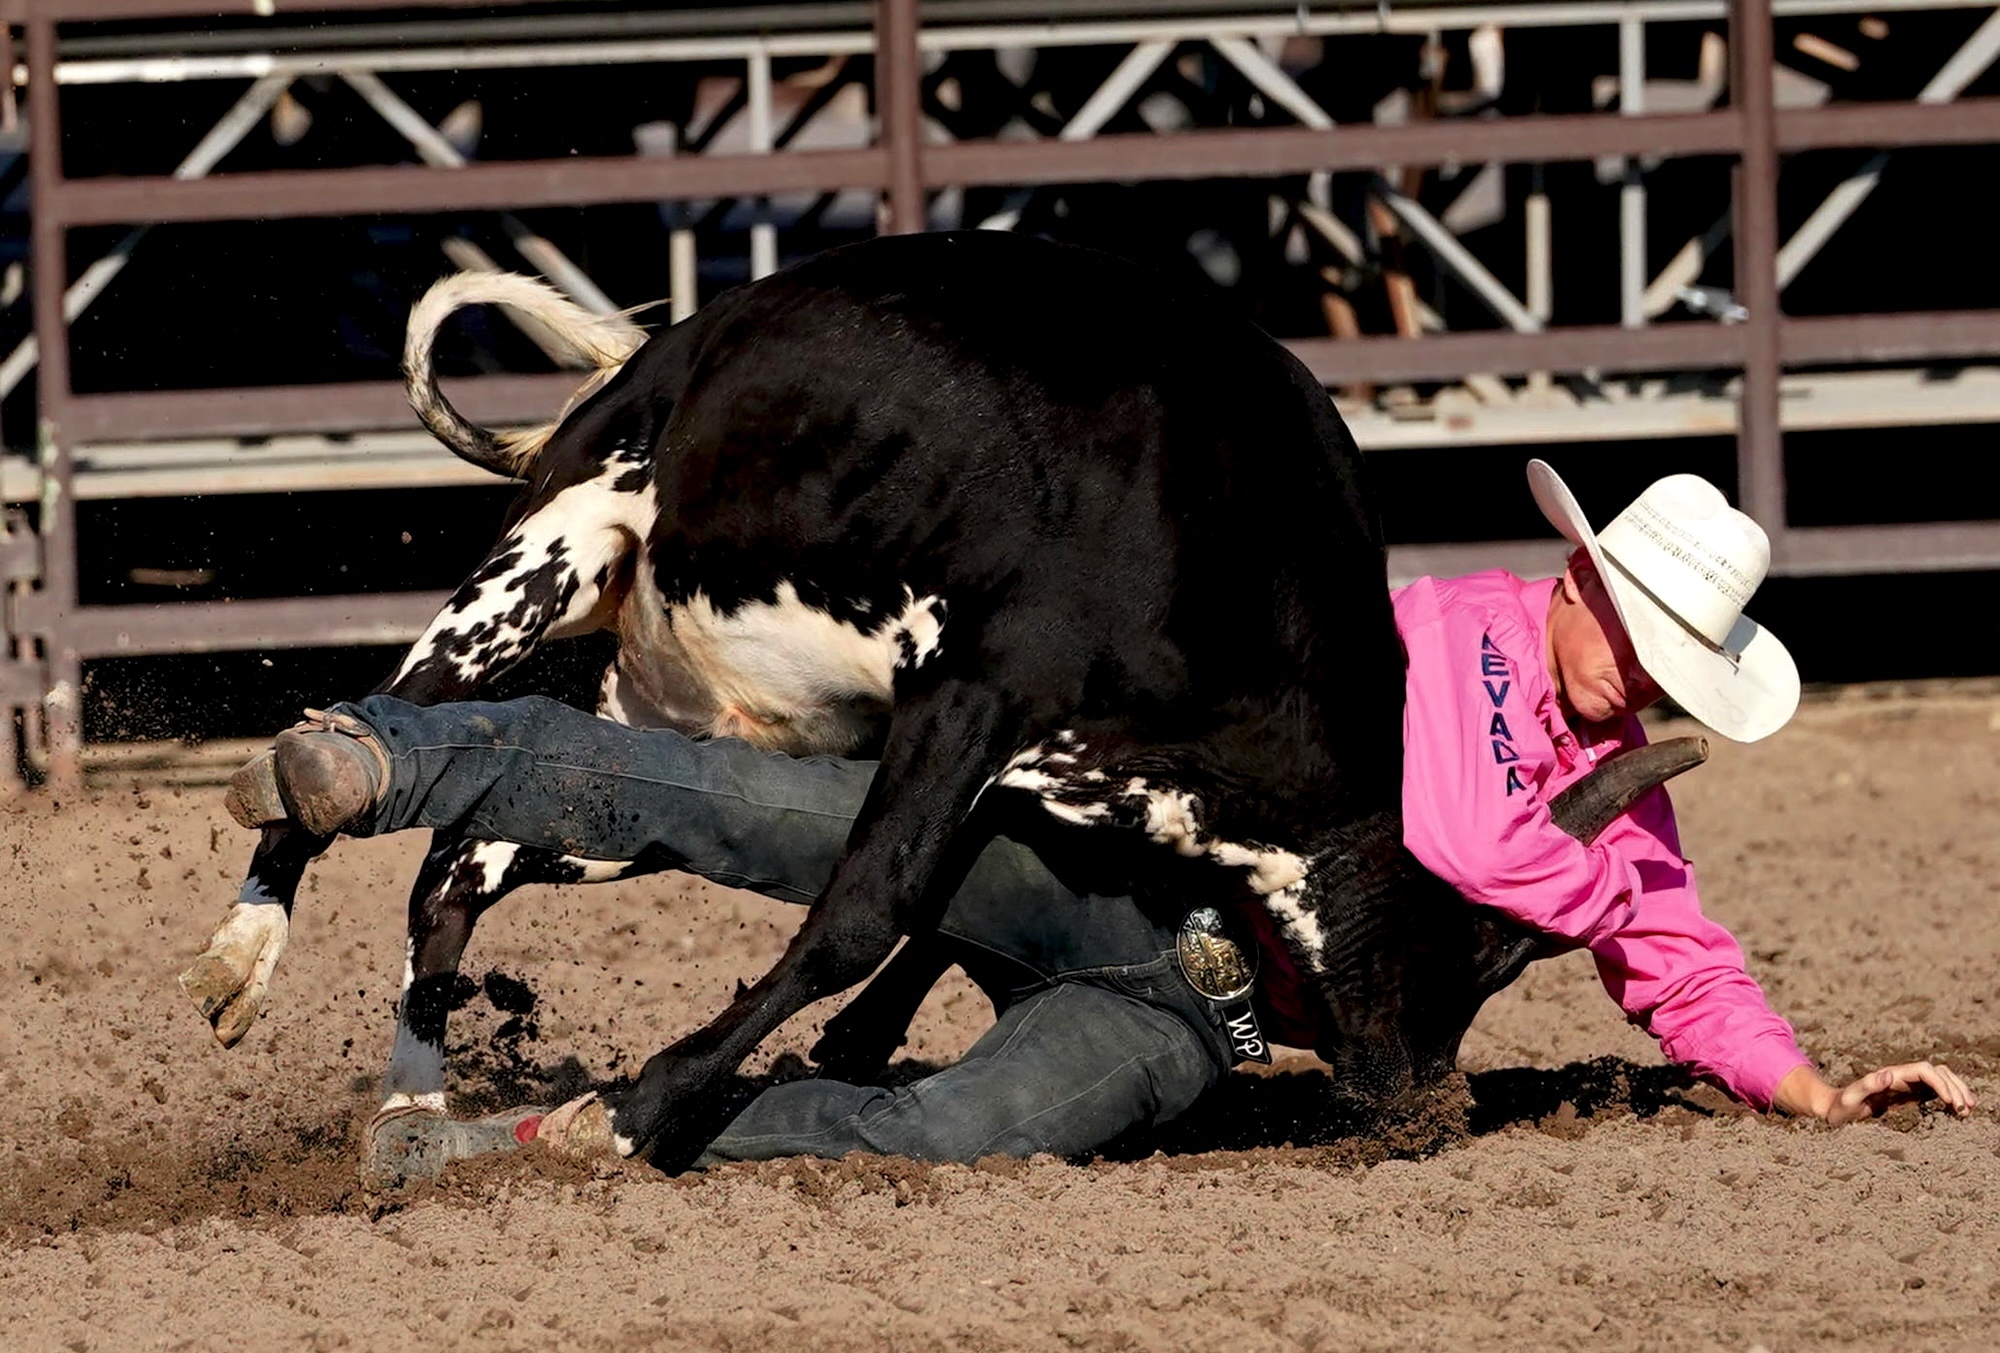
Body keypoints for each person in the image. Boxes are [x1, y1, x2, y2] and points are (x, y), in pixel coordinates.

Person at [228, 462, 1974, 1174]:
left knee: (955, 1135)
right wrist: (1579, 875)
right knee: (757, 807)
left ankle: (556, 1137)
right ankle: (392, 755)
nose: (1647, 688)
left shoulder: (1620, 830)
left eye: (1678, 675)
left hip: (1194, 1017)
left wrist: (1815, 1081)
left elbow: (1688, 963)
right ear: (1579, 579)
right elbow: (1436, 828)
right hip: (1094, 860)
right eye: (1647, 644)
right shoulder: (1431, 631)